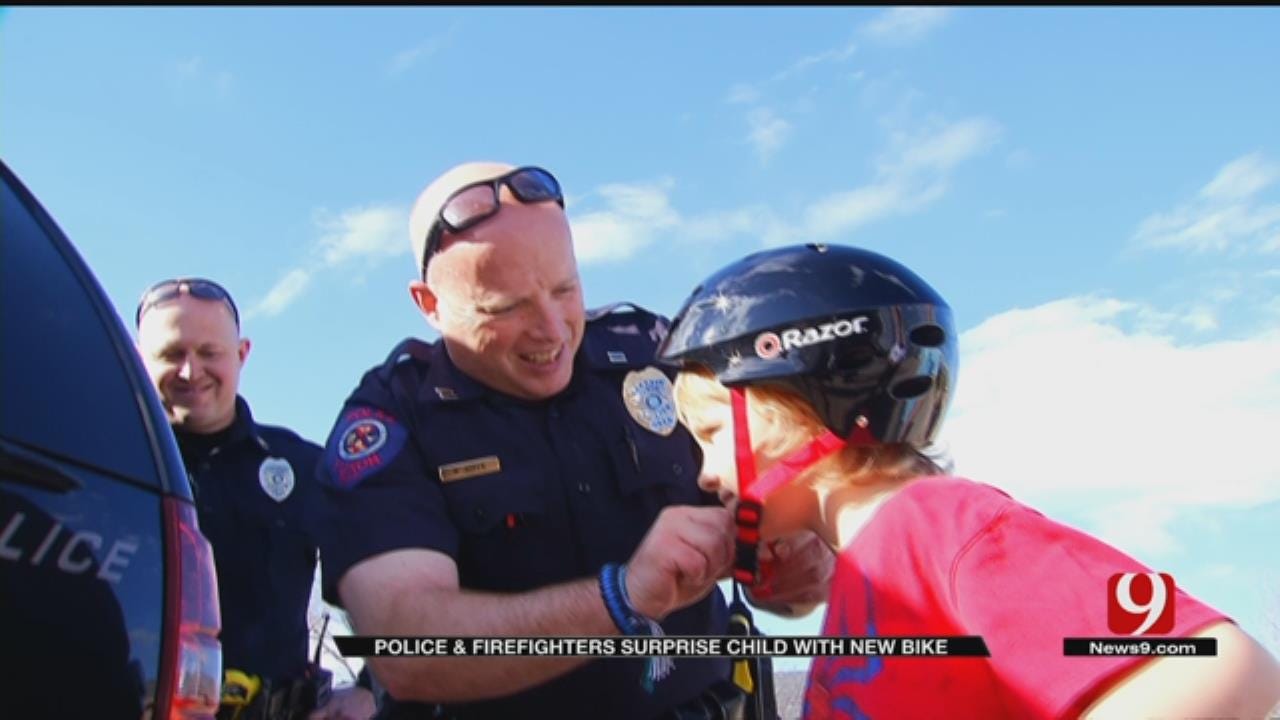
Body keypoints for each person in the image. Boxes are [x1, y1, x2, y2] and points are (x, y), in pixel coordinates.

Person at [657, 242, 1280, 719]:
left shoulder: (933, 526)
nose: (706, 476)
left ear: (795, 414)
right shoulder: (864, 577)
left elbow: (1224, 667)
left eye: (712, 436)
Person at [313, 162, 834, 720]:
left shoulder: (658, 354)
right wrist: (622, 598)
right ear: (430, 305)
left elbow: (789, 564)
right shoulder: (392, 419)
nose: (553, 330)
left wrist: (798, 569)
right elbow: (407, 652)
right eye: (505, 307)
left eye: (566, 289)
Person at [134, 278, 378, 720]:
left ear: (242, 353)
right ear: (138, 361)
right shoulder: (108, 465)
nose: (192, 372)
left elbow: (381, 584)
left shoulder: (304, 467)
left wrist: (370, 685)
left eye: (209, 353)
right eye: (172, 354)